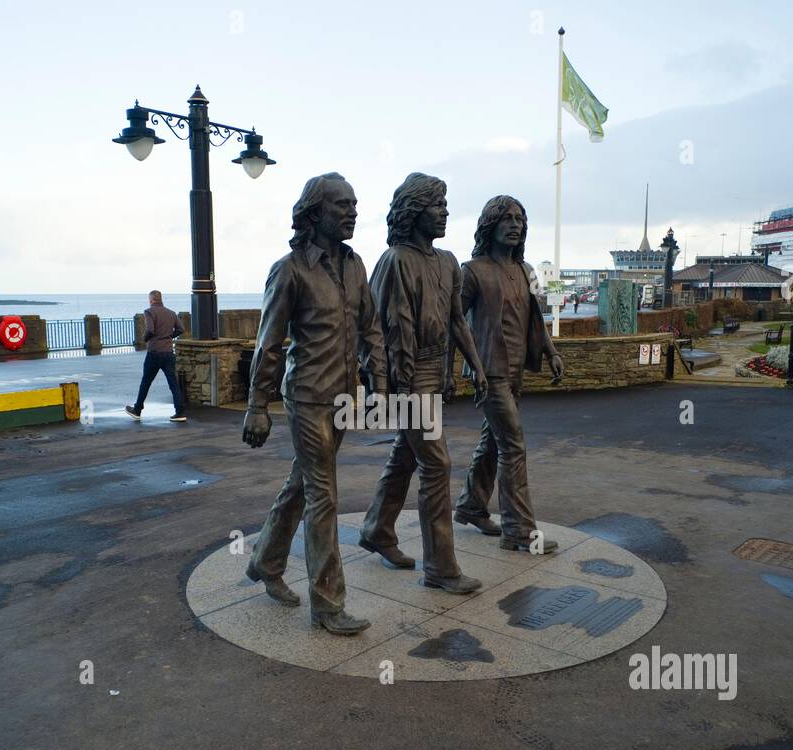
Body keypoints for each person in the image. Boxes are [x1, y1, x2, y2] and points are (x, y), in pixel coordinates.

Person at [242, 173, 389, 636]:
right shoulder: (289, 270)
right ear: (315, 212)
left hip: (343, 393)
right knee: (324, 494)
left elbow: (370, 329)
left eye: (355, 204)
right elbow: (269, 343)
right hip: (305, 395)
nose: (352, 212)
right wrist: (257, 405)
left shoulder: (355, 265)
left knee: (303, 484)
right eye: (341, 205)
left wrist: (379, 382)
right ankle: (327, 604)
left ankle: (266, 560)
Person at [359, 172, 488, 593]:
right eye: (437, 206)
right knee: (437, 463)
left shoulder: (449, 262)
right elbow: (383, 328)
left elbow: (456, 321)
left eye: (447, 205)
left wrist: (471, 366)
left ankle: (378, 528)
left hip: (433, 372)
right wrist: (392, 386)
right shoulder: (395, 260)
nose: (445, 212)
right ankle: (441, 568)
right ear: (414, 212)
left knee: (406, 455)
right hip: (406, 377)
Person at [452, 195, 565, 553]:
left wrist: (551, 351)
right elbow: (454, 323)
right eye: (507, 219)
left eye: (520, 219)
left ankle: (471, 505)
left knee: (493, 442)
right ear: (490, 224)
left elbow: (536, 318)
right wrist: (460, 367)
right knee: (513, 446)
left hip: (516, 368)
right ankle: (518, 529)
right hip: (490, 371)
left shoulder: (527, 271)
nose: (515, 224)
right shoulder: (472, 271)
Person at [126, 290, 188, 422]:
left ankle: (137, 410)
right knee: (173, 383)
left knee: (146, 382)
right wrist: (169, 336)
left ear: (151, 300)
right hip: (168, 352)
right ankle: (180, 412)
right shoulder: (171, 313)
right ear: (160, 299)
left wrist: (145, 339)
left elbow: (150, 329)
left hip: (154, 353)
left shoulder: (149, 312)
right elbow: (181, 329)